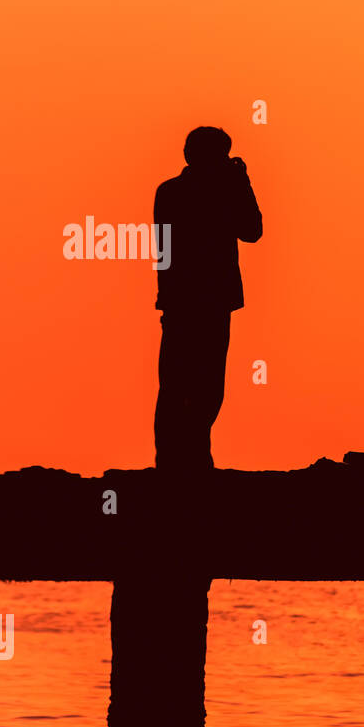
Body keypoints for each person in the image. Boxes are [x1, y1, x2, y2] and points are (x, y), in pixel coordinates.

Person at [152, 126, 262, 472]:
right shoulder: (212, 192)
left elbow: (251, 232)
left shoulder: (171, 191)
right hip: (204, 300)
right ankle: (186, 461)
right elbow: (253, 230)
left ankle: (182, 460)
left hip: (191, 300)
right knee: (196, 383)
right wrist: (240, 182)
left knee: (186, 383)